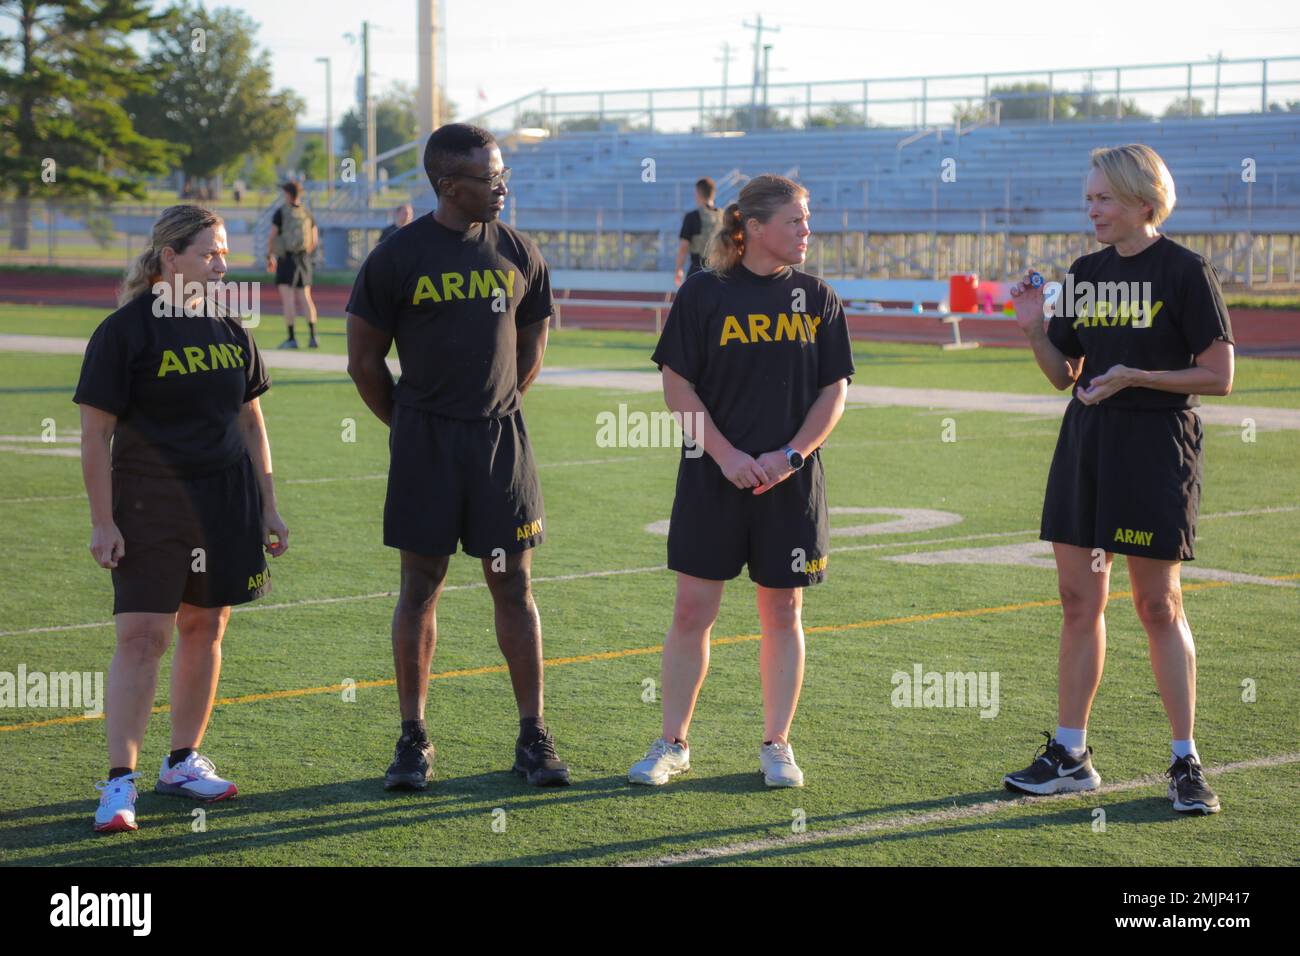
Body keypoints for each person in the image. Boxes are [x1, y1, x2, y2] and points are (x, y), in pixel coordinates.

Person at [1004, 144, 1234, 815]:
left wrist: (1138, 375)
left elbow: (1219, 376)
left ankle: (1185, 761)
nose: (1093, 210)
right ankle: (1070, 755)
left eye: (1103, 198)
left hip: (1154, 448)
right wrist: (1032, 329)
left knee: (1158, 605)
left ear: (1142, 200)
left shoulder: (1185, 270)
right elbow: (1063, 373)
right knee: (1079, 600)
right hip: (1087, 446)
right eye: (1089, 199)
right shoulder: (1084, 271)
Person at [345, 123, 569, 790]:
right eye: (487, 177)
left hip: (501, 444)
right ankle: (413, 739)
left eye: (501, 172)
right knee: (420, 586)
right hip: (425, 445)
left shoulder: (518, 251)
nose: (502, 186)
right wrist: (414, 423)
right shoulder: (396, 258)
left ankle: (533, 736)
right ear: (448, 185)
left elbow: (532, 348)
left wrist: (492, 409)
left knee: (514, 585)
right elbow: (363, 363)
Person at [629, 174, 854, 789]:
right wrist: (726, 456)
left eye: (807, 220)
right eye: (796, 221)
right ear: (754, 228)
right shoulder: (705, 294)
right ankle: (673, 741)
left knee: (784, 610)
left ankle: (777, 744)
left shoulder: (819, 296)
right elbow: (678, 385)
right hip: (713, 476)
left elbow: (834, 391)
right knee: (692, 609)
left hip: (790, 482)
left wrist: (792, 455)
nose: (807, 231)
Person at [75, 204, 289, 833]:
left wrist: (269, 505)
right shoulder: (124, 333)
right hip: (147, 506)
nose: (223, 263)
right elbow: (94, 436)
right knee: (142, 637)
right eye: (209, 252)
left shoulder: (231, 328)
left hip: (224, 503)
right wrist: (103, 521)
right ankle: (119, 783)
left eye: (224, 252)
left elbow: (252, 422)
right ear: (170, 258)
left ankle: (182, 762)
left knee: (205, 630)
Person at [267, 181, 319, 350]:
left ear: (288, 194)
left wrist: (271, 256)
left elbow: (272, 237)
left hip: (286, 259)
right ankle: (313, 337)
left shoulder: (281, 213)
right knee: (306, 298)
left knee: (288, 300)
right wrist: (304, 254)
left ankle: (291, 338)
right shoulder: (306, 213)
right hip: (303, 259)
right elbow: (314, 240)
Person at [674, 177, 723, 286]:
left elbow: (683, 246)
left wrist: (679, 269)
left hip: (697, 272)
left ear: (697, 193)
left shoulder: (692, 217)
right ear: (713, 194)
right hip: (720, 273)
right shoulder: (723, 217)